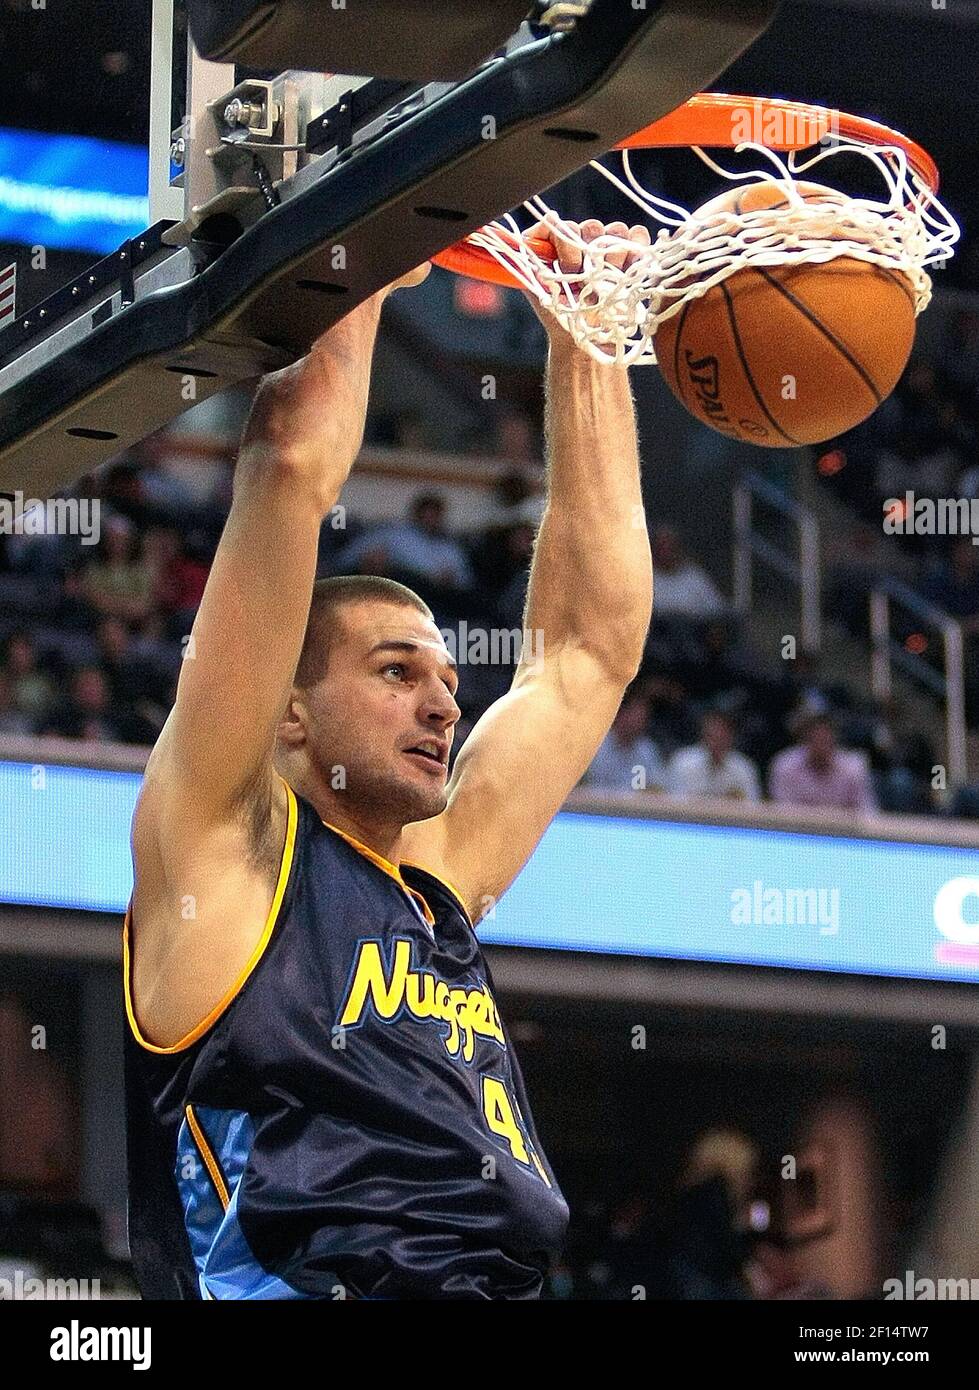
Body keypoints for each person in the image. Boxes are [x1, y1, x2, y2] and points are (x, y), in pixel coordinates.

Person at [125, 216, 654, 1300]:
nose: (441, 705)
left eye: (451, 683)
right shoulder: (227, 856)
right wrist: (364, 235)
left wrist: (587, 328)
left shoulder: (436, 875)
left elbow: (589, 654)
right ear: (290, 715)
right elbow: (285, 468)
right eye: (396, 672)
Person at [769, 713, 878, 814]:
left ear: (834, 741)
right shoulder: (785, 765)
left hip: (842, 832)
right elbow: (781, 813)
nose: (820, 746)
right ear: (805, 741)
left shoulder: (853, 769)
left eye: (825, 741)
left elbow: (867, 812)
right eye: (816, 740)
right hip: (796, 831)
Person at [582, 686, 669, 793]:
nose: (640, 723)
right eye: (636, 716)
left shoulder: (646, 750)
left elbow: (655, 787)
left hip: (632, 808)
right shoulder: (595, 746)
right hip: (592, 807)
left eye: (643, 718)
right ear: (620, 714)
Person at [669, 710, 761, 802]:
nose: (716, 743)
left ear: (731, 737)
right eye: (712, 736)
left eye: (722, 737)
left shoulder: (744, 768)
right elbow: (672, 801)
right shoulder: (682, 762)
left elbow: (753, 806)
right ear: (703, 736)